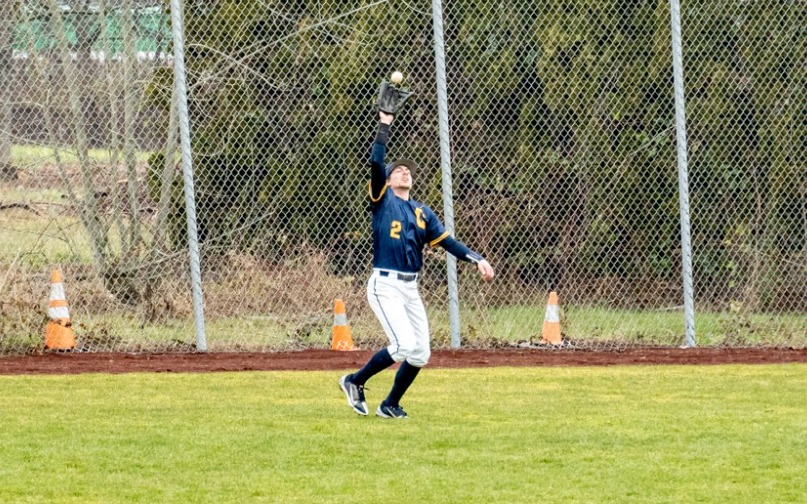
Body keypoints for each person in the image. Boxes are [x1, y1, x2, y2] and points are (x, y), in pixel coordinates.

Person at [339, 110, 495, 419]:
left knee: (421, 353)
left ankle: (389, 404)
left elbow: (449, 243)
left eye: (407, 171)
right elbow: (375, 163)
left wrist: (478, 259)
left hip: (410, 288)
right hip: (384, 285)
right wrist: (385, 124)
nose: (404, 173)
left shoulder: (423, 212)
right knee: (402, 345)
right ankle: (354, 381)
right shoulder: (382, 199)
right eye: (398, 170)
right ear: (388, 178)